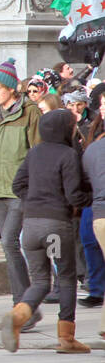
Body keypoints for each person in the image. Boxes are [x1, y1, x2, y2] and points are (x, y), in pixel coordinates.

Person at [1, 108, 92, 353]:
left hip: (30, 226)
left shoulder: (34, 153)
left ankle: (18, 317)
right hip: (55, 226)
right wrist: (90, 198)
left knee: (40, 280)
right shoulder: (68, 155)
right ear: (66, 129)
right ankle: (66, 337)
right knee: (65, 277)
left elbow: (17, 184)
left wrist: (32, 201)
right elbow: (74, 195)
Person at [0, 57, 42, 331]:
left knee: (9, 243)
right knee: (9, 245)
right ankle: (27, 308)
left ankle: (23, 308)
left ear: (13, 88)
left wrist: (35, 188)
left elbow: (38, 153)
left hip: (20, 192)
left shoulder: (30, 113)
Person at [77, 126, 105, 323]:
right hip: (94, 201)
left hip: (96, 203)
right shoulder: (93, 146)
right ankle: (96, 288)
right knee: (88, 240)